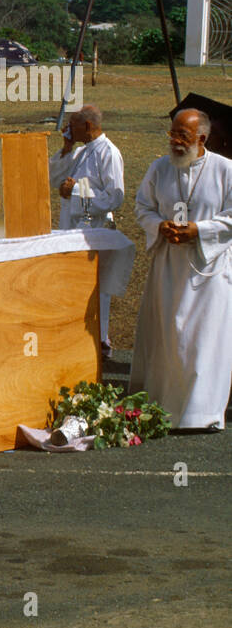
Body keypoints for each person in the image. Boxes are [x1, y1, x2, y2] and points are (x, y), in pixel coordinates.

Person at [129, 108, 232, 431]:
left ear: (202, 138)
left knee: (201, 340)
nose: (174, 141)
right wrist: (159, 226)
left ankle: (201, 414)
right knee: (168, 335)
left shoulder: (225, 170)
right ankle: (164, 407)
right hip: (168, 267)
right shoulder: (159, 168)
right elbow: (142, 206)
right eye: (172, 134)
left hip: (207, 271)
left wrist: (198, 230)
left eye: (182, 136)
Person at [48, 104, 125, 352]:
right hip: (72, 227)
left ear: (88, 126)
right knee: (72, 285)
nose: (68, 129)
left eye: (72, 126)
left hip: (94, 229)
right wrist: (67, 147)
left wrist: (77, 192)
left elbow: (115, 197)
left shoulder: (108, 153)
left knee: (95, 287)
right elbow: (53, 178)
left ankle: (100, 340)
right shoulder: (82, 152)